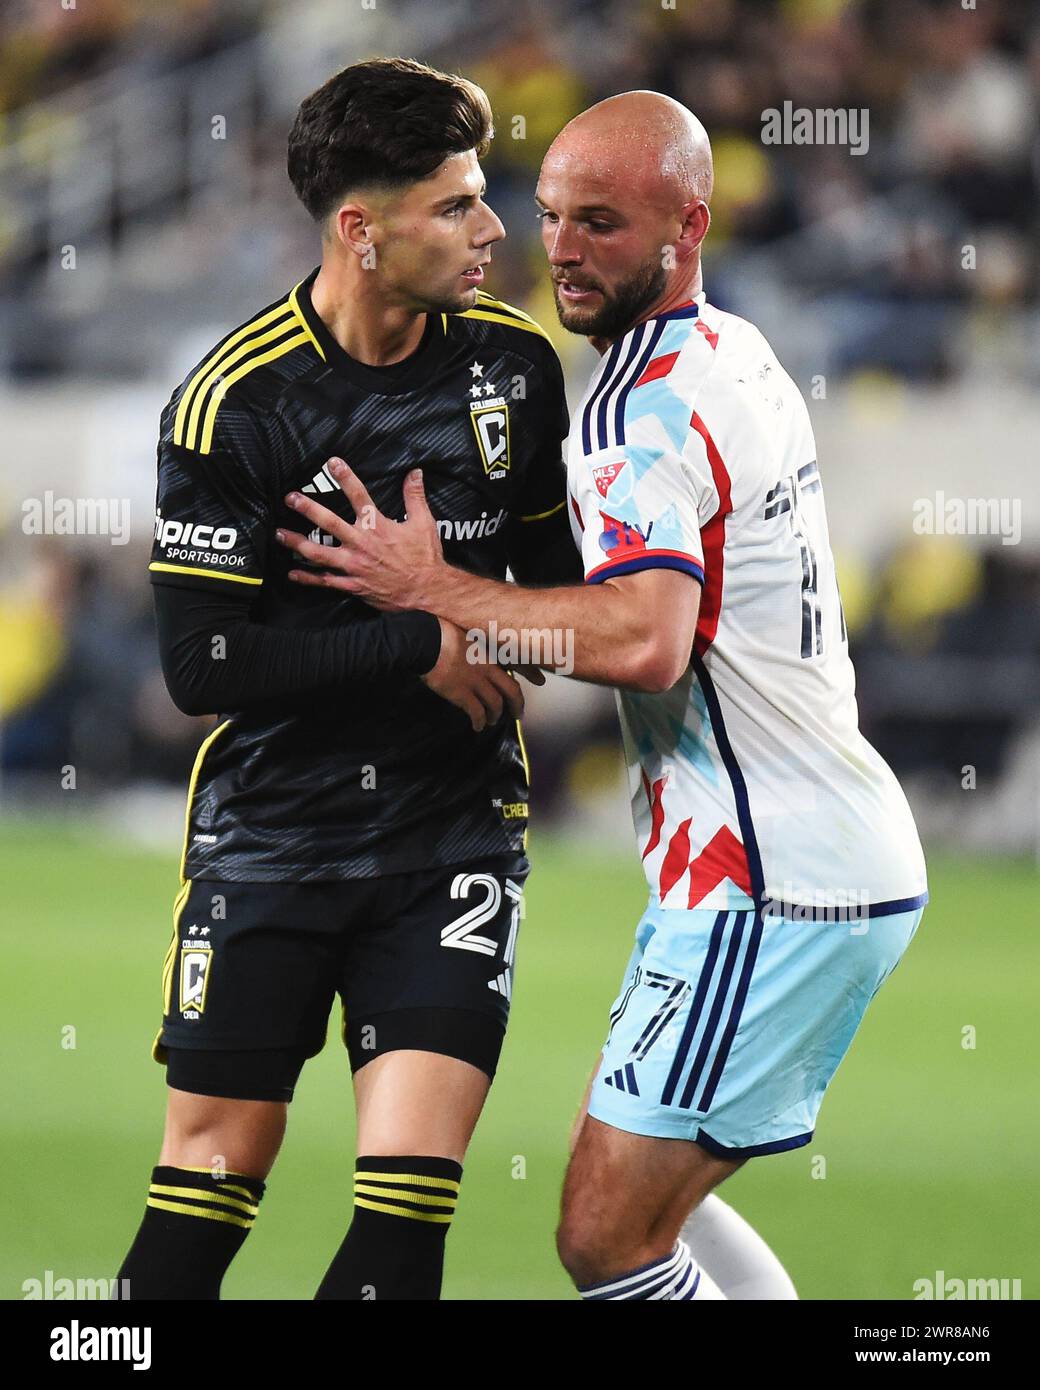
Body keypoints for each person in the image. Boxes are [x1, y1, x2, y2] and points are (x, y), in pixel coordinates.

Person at [276, 90, 929, 1302]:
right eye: (551, 218)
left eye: (603, 226)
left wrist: (438, 589)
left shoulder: (635, 409)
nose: (561, 251)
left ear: (687, 226)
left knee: (603, 1236)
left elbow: (645, 641)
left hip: (767, 875)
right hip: (794, 856)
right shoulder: (733, 351)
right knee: (647, 1208)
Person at [114, 57, 579, 1302]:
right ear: (358, 231)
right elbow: (202, 664)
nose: (492, 229)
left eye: (484, 196)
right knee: (208, 1188)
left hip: (451, 840)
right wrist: (414, 633)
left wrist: (473, 608)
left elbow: (558, 605)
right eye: (453, 206)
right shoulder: (233, 404)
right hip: (271, 839)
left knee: (406, 1208)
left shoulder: (515, 370)